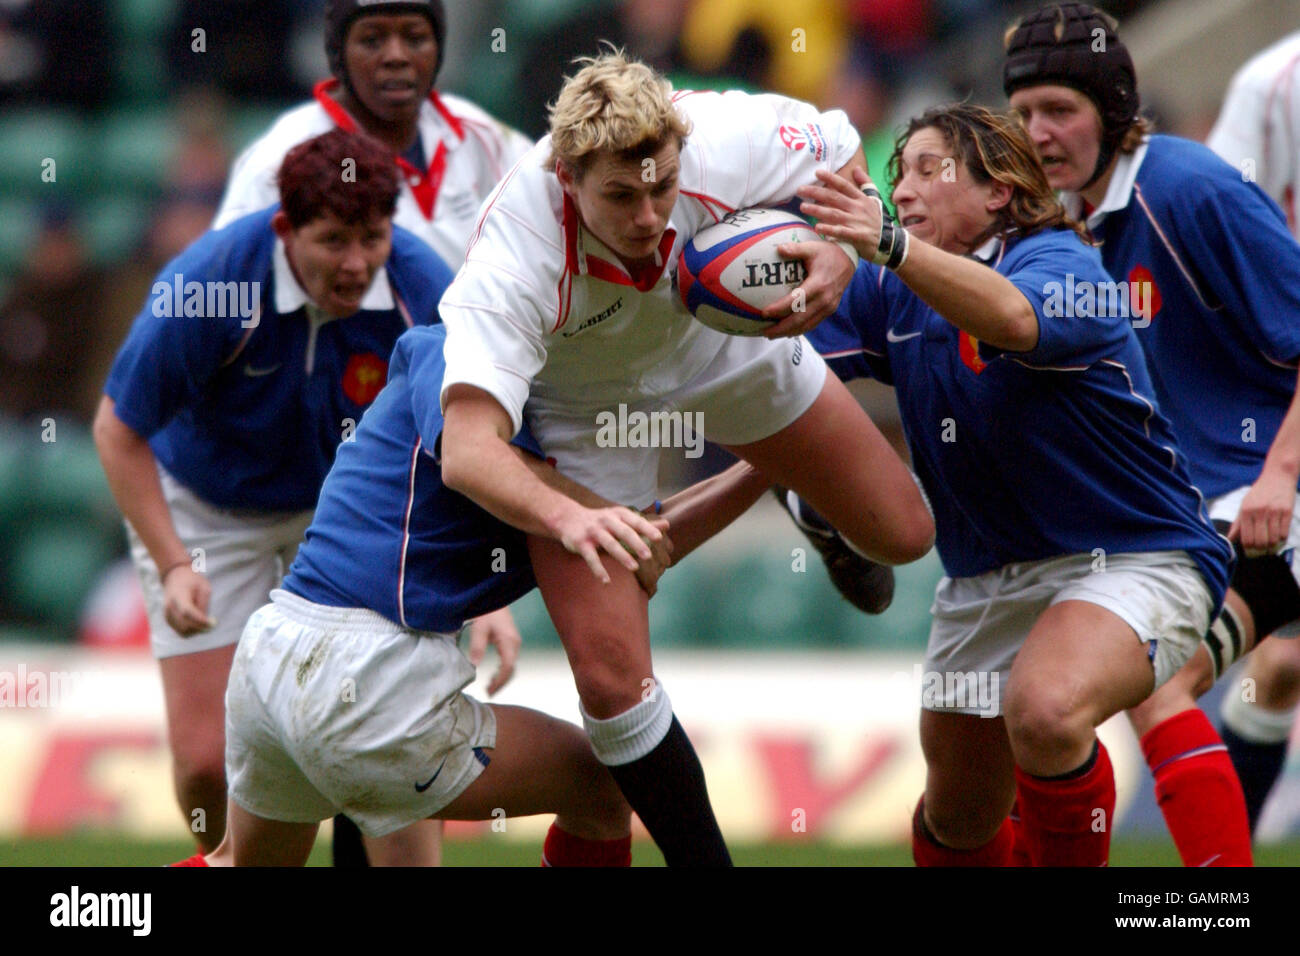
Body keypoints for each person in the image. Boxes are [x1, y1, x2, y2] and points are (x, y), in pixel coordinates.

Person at [436, 49, 935, 866]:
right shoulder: (511, 254)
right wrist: (574, 516)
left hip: (721, 347)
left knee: (905, 535)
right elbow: (467, 452)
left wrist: (843, 251)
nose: (648, 215)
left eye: (662, 187)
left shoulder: (716, 132)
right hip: (585, 415)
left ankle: (806, 496)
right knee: (611, 691)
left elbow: (843, 149)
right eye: (620, 196)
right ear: (567, 176)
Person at [801, 103, 1232, 866]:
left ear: (999, 191)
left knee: (1046, 709)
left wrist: (889, 247)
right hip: (985, 583)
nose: (902, 190)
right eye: (897, 176)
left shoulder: (1062, 264)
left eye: (930, 169)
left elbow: (1011, 318)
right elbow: (779, 367)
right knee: (960, 818)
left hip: (1137, 558)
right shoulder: (895, 286)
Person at [191, 321, 775, 866]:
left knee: (235, 863)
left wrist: (775, 465)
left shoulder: (518, 405)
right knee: (602, 790)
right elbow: (489, 465)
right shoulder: (458, 350)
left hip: (273, 653)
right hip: (369, 673)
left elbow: (638, 546)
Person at [212, 0, 534, 864]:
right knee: (216, 774)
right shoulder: (278, 156)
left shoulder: (489, 143)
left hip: (423, 483)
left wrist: (491, 575)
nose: (397, 55)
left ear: (441, 42)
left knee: (376, 756)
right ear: (338, 48)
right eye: (373, 36)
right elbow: (236, 316)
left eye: (416, 34)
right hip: (291, 484)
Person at [93, 128, 452, 861]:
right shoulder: (211, 282)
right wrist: (173, 564)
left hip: (345, 517)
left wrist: (491, 605)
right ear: (286, 228)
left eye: (373, 238)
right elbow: (117, 429)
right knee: (202, 762)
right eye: (333, 241)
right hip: (208, 512)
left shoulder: (424, 288)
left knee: (394, 742)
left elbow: (465, 441)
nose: (356, 265)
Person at [1002, 1, 1300, 865]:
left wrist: (1280, 479)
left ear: (1113, 111)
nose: (1039, 133)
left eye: (1060, 110)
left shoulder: (1187, 188)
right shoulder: (1055, 227)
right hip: (1189, 520)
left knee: (1158, 683)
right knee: (1053, 696)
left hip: (1267, 494)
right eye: (1022, 115)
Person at [1204, 31, 1300, 832]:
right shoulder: (1273, 86)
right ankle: (1220, 878)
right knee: (1281, 664)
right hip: (1287, 395)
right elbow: (1224, 242)